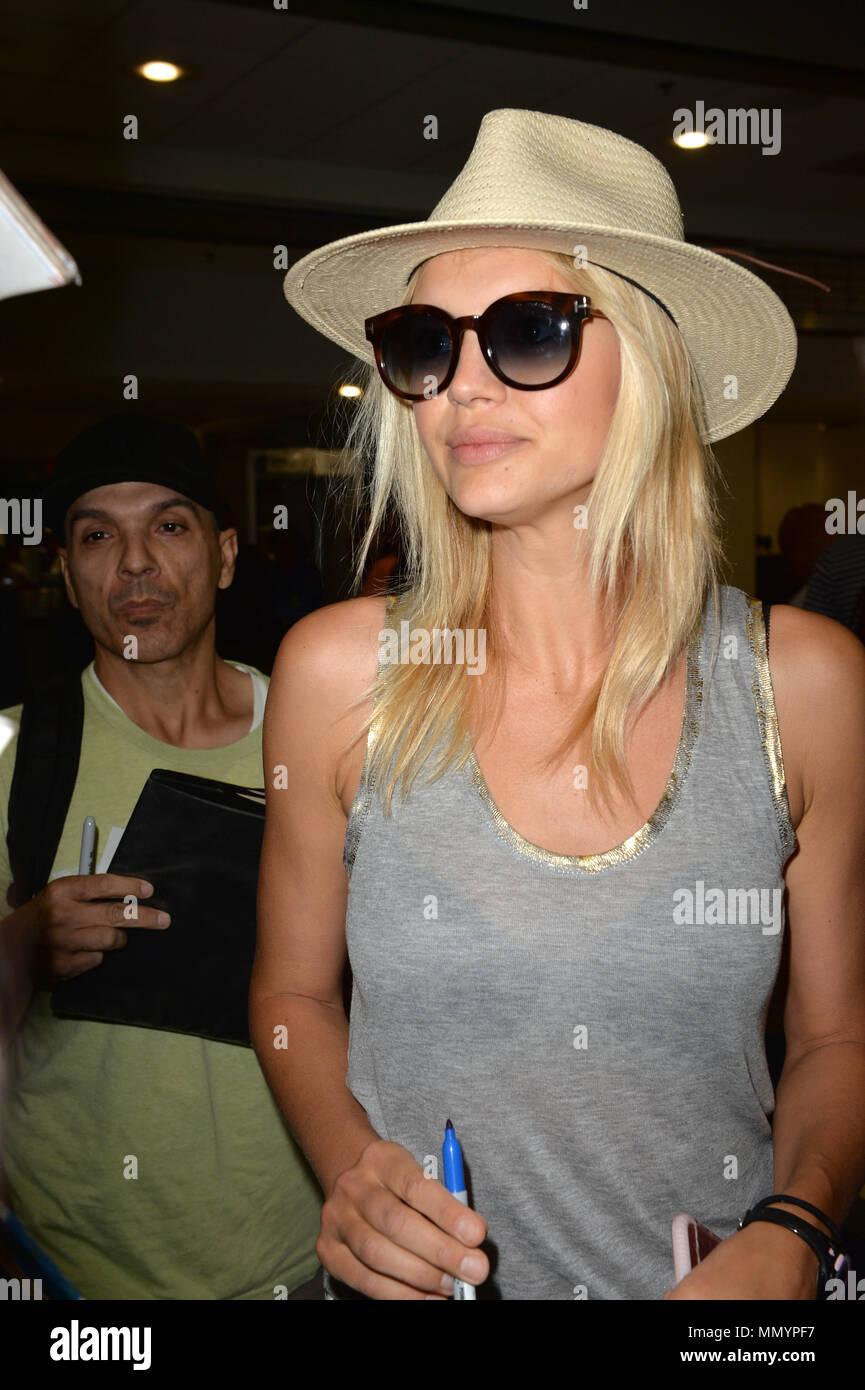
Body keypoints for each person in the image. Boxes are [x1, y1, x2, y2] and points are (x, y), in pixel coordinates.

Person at [250, 110, 865, 1300]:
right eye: (426, 342)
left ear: (653, 362)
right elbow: (287, 993)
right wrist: (354, 1167)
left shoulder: (806, 685)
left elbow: (836, 1037)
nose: (462, 385)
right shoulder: (337, 680)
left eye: (528, 331)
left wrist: (793, 1227)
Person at [0, 414, 322, 1298]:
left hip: (302, 1254)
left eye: (169, 526)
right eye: (98, 535)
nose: (136, 562)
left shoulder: (320, 736)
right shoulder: (14, 756)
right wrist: (20, 942)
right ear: (66, 576)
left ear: (222, 557)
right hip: (81, 1270)